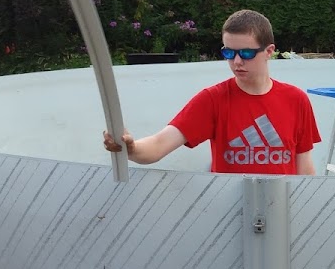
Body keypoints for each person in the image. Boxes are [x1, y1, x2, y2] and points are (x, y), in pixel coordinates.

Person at [103, 9, 321, 175]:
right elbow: (159, 145)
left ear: (269, 52)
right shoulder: (213, 100)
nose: (237, 61)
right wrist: (129, 148)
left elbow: (304, 167)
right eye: (229, 52)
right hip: (229, 217)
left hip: (281, 217)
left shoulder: (295, 100)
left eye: (246, 52)